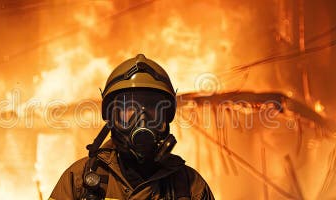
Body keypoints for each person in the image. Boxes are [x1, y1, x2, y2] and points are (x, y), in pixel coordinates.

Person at [49, 54, 214, 200]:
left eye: (151, 108)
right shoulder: (80, 180)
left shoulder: (191, 187)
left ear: (166, 118)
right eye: (129, 108)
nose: (142, 118)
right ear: (112, 118)